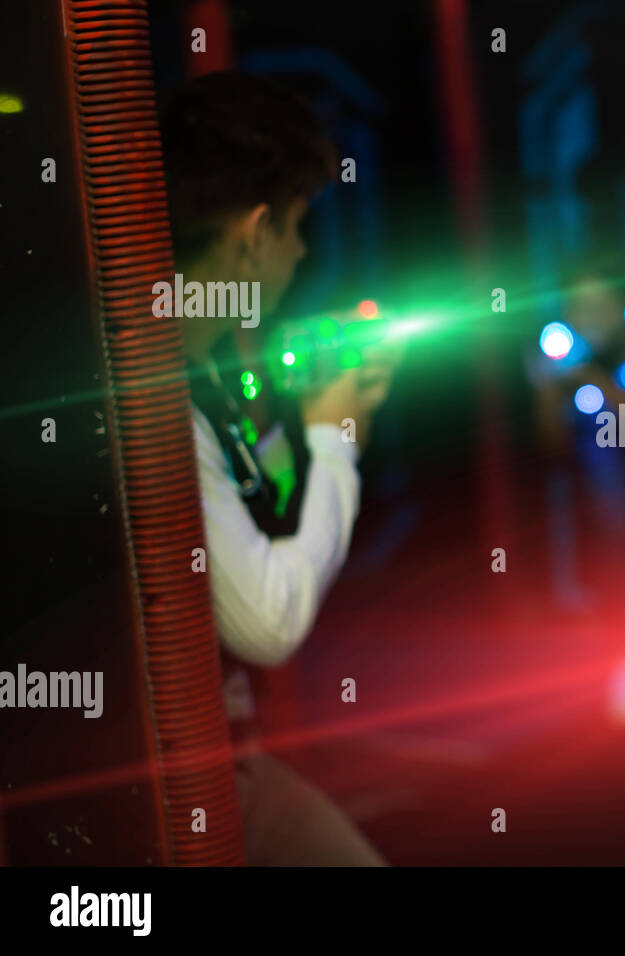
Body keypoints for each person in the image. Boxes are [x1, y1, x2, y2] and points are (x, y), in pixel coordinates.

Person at [160, 71, 392, 865]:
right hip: (177, 790)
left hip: (225, 764)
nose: (297, 256)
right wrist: (335, 434)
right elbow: (269, 620)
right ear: (256, 232)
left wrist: (314, 410)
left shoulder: (203, 368)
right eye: (296, 230)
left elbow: (268, 500)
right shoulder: (159, 411)